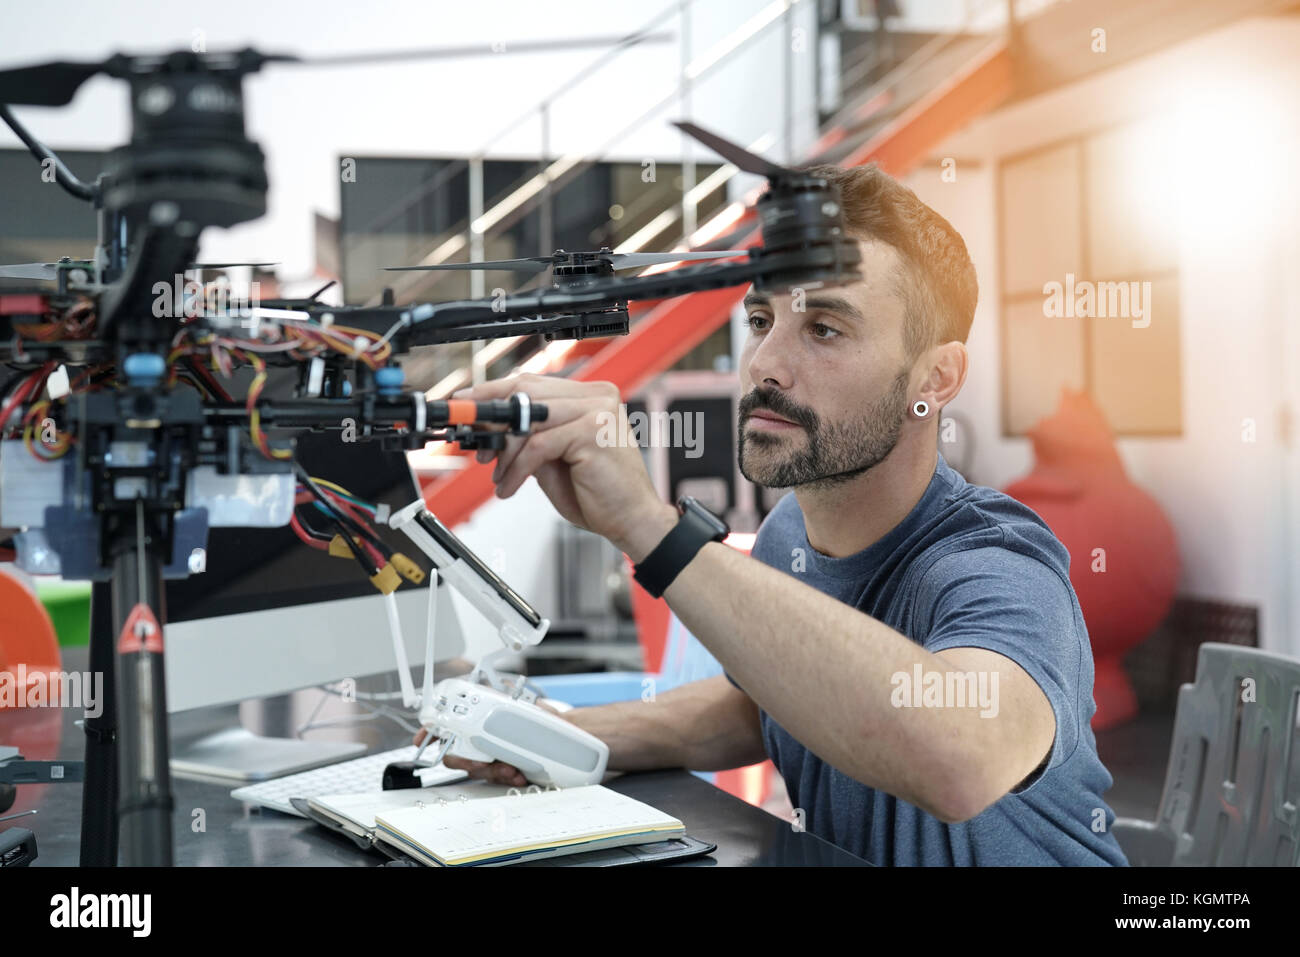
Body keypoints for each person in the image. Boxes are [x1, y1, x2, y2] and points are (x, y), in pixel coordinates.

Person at [415, 161, 1129, 866]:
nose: (765, 362)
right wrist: (549, 732)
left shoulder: (997, 561)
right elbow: (762, 706)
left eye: (824, 328)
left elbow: (964, 758)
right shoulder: (791, 530)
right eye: (761, 318)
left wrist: (652, 529)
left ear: (933, 379)